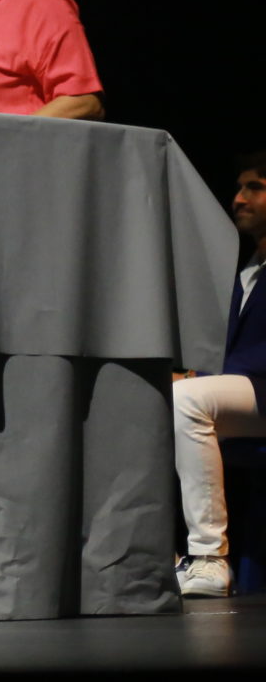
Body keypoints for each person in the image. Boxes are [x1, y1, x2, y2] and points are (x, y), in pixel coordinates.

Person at [173, 153, 266, 598]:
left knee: (187, 399)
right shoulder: (244, 269)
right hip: (245, 390)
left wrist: (202, 379)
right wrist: (194, 371)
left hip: (261, 388)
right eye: (239, 188)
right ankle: (154, 554)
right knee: (146, 398)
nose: (238, 199)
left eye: (255, 188)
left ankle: (210, 555)